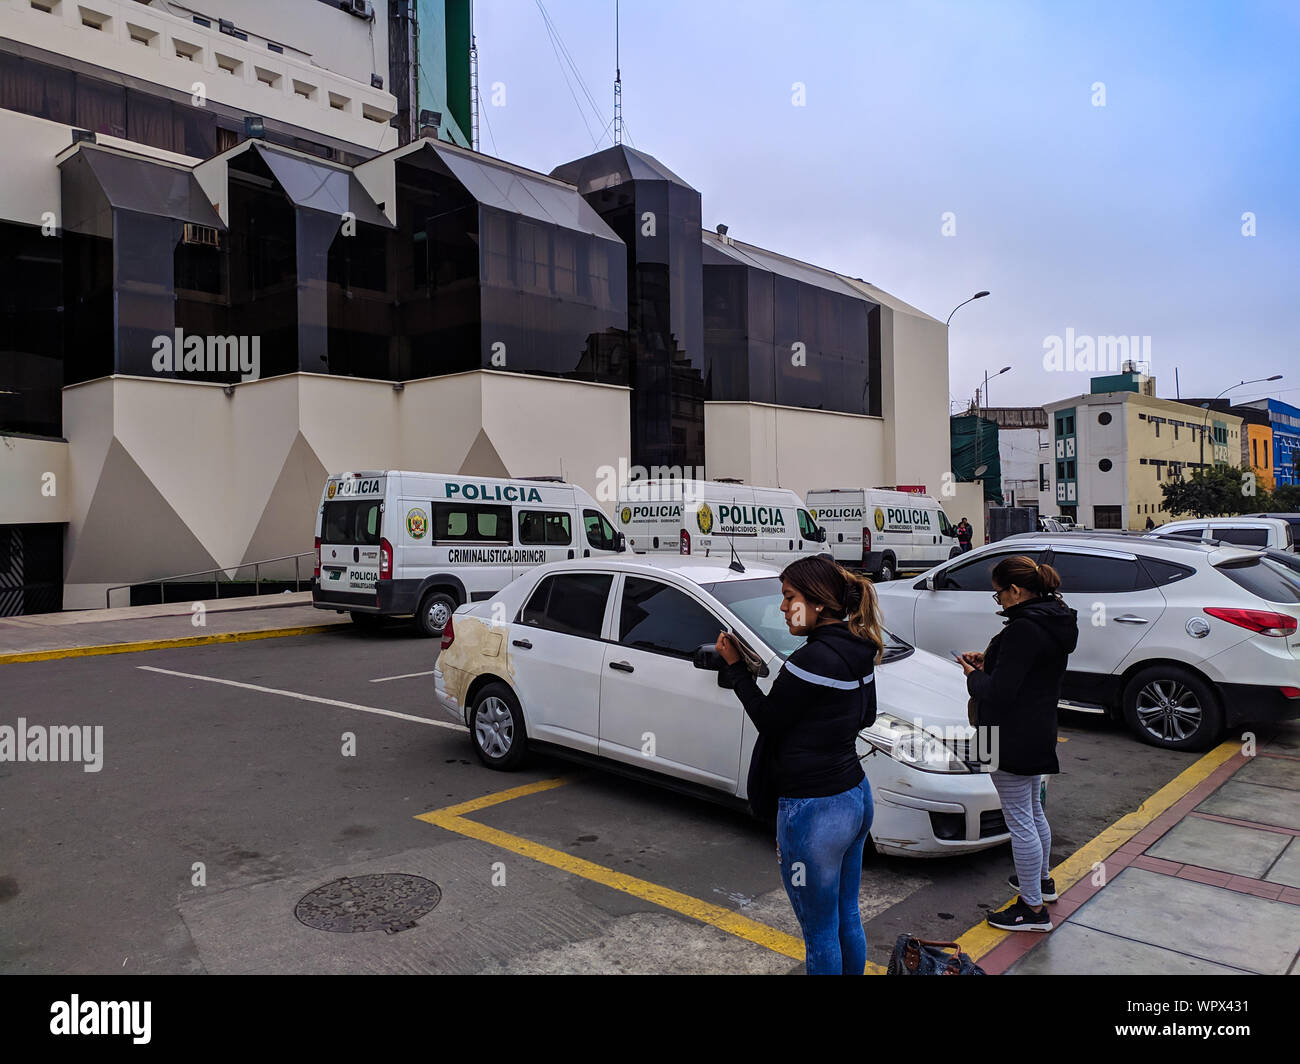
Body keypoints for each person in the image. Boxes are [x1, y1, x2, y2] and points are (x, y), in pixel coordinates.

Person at [715, 556, 881, 974]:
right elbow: (867, 717)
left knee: (820, 932)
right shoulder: (860, 649)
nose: (783, 608)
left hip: (814, 810)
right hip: (855, 796)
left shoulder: (810, 662)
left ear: (819, 604)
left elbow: (770, 721)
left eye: (790, 598)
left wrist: (736, 670)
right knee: (846, 915)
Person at [959, 555, 1078, 932]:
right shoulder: (1054, 618)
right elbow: (1023, 671)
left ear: (1015, 590)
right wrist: (989, 660)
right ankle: (1040, 884)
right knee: (1031, 809)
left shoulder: (1022, 629)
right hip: (1037, 728)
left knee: (1019, 820)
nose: (999, 603)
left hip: (1005, 733)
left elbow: (999, 693)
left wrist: (973, 676)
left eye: (999, 596)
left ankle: (1031, 910)